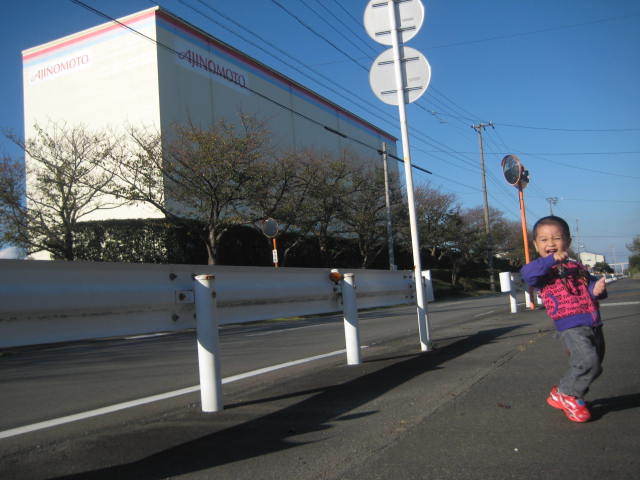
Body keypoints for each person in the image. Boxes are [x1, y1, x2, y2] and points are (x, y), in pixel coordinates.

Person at [520, 215, 607, 423]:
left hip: (593, 321)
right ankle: (567, 394)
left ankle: (569, 393)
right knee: (588, 361)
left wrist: (597, 289)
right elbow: (527, 274)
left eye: (556, 238)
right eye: (543, 239)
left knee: (596, 364)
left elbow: (589, 288)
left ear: (567, 241)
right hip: (570, 323)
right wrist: (551, 260)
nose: (550, 243)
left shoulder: (577, 266)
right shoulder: (541, 269)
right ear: (535, 244)